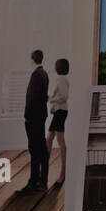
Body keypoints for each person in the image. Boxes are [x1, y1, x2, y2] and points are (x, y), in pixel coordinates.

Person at [22, 49, 49, 192]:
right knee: (42, 149)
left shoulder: (36, 75)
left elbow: (31, 98)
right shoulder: (44, 74)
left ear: (33, 59)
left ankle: (33, 182)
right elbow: (44, 97)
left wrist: (27, 116)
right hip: (40, 116)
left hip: (34, 118)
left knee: (34, 149)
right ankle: (42, 181)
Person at [46, 57, 69, 189]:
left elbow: (64, 97)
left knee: (60, 141)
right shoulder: (61, 79)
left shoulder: (61, 80)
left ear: (58, 67)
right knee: (49, 139)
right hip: (59, 112)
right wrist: (51, 98)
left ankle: (62, 175)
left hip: (60, 111)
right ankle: (45, 168)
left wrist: (51, 99)